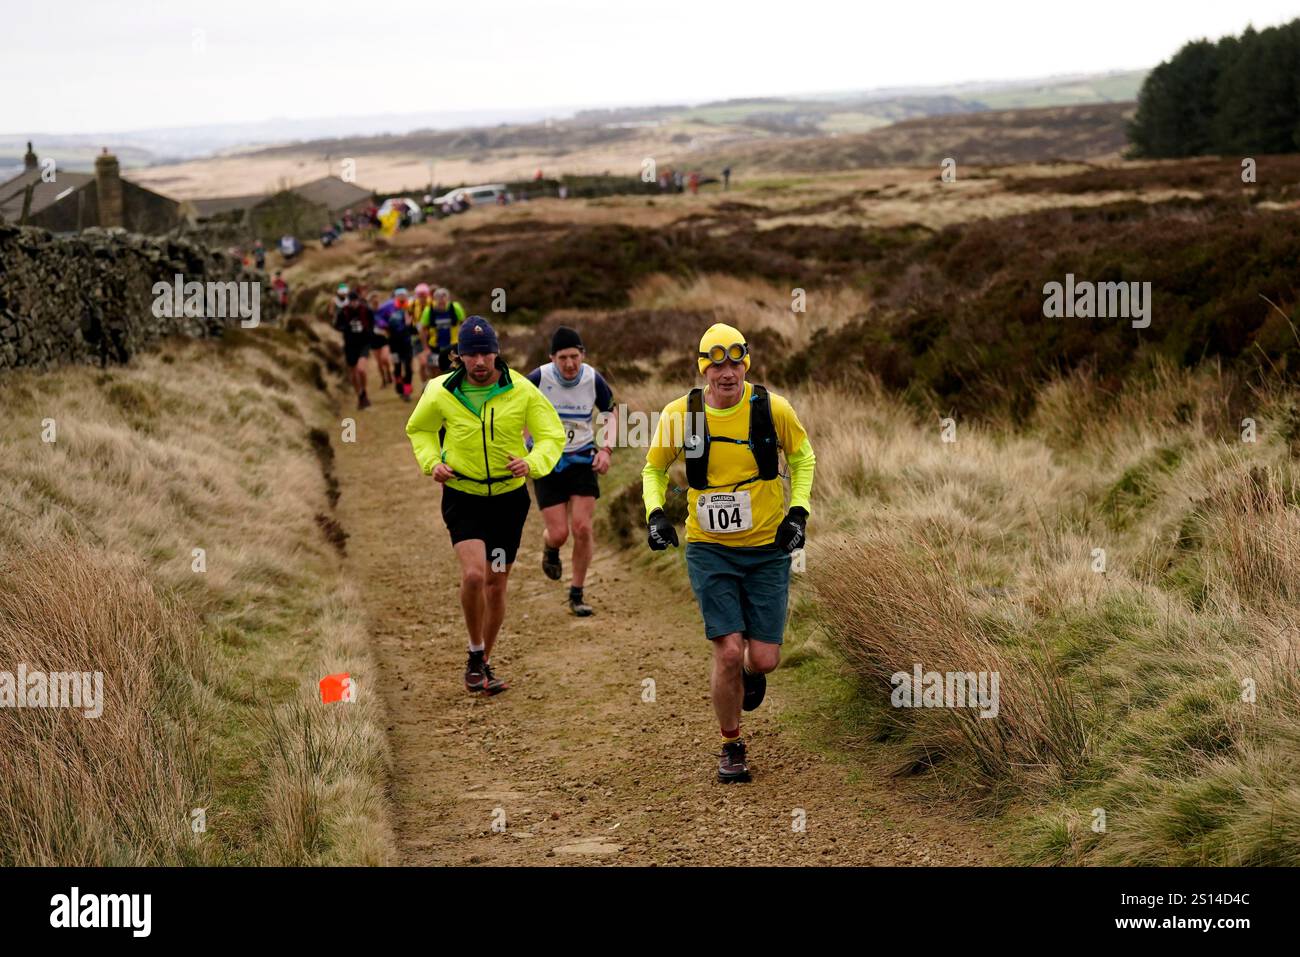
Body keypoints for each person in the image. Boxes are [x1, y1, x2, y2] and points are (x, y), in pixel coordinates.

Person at [641, 323, 816, 783]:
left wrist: (798, 512)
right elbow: (653, 468)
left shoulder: (771, 408)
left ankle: (750, 671)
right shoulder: (683, 415)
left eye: (735, 361)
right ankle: (731, 743)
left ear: (746, 365)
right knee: (726, 651)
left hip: (766, 548)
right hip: (709, 548)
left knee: (763, 659)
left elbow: (802, 458)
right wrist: (655, 515)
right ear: (703, 368)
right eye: (717, 363)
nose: (727, 372)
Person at [405, 317, 565, 695]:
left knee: (496, 583)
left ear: (497, 353)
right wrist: (432, 463)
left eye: (486, 353)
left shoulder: (521, 390)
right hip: (463, 496)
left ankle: (481, 660)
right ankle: (476, 653)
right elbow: (420, 429)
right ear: (458, 357)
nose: (480, 361)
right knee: (475, 575)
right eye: (471, 354)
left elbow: (551, 434)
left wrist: (532, 463)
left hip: (508, 502)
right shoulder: (440, 390)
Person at [527, 327, 617, 616]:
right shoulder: (539, 378)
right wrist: (525, 443)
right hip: (549, 462)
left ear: (583, 355)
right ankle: (549, 547)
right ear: (552, 357)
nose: (569, 364)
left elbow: (610, 411)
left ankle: (577, 593)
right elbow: (514, 408)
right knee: (559, 533)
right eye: (563, 357)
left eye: (575, 357)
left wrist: (605, 449)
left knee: (582, 527)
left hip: (581, 460)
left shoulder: (592, 378)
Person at [333, 289, 373, 409]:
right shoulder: (343, 312)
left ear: (358, 301)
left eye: (355, 301)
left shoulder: (366, 310)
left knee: (361, 370)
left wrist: (368, 333)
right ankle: (360, 396)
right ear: (348, 302)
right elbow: (336, 325)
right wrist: (345, 328)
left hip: (363, 344)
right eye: (351, 301)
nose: (354, 303)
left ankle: (364, 392)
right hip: (350, 345)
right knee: (353, 372)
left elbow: (372, 324)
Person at [419, 287, 466, 379]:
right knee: (436, 372)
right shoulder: (429, 311)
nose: (441, 302)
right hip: (435, 347)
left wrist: (464, 341)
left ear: (447, 299)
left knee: (454, 371)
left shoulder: (455, 308)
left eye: (443, 299)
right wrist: (425, 348)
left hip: (453, 346)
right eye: (439, 299)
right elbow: (423, 330)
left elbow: (464, 324)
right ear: (434, 299)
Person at [369, 291, 394, 386]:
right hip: (373, 340)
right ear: (370, 301)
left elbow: (390, 322)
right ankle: (383, 379)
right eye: (373, 300)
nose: (375, 301)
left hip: (384, 339)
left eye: (376, 299)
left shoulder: (384, 310)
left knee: (384, 359)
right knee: (379, 363)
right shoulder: (369, 312)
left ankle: (388, 373)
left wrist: (387, 330)